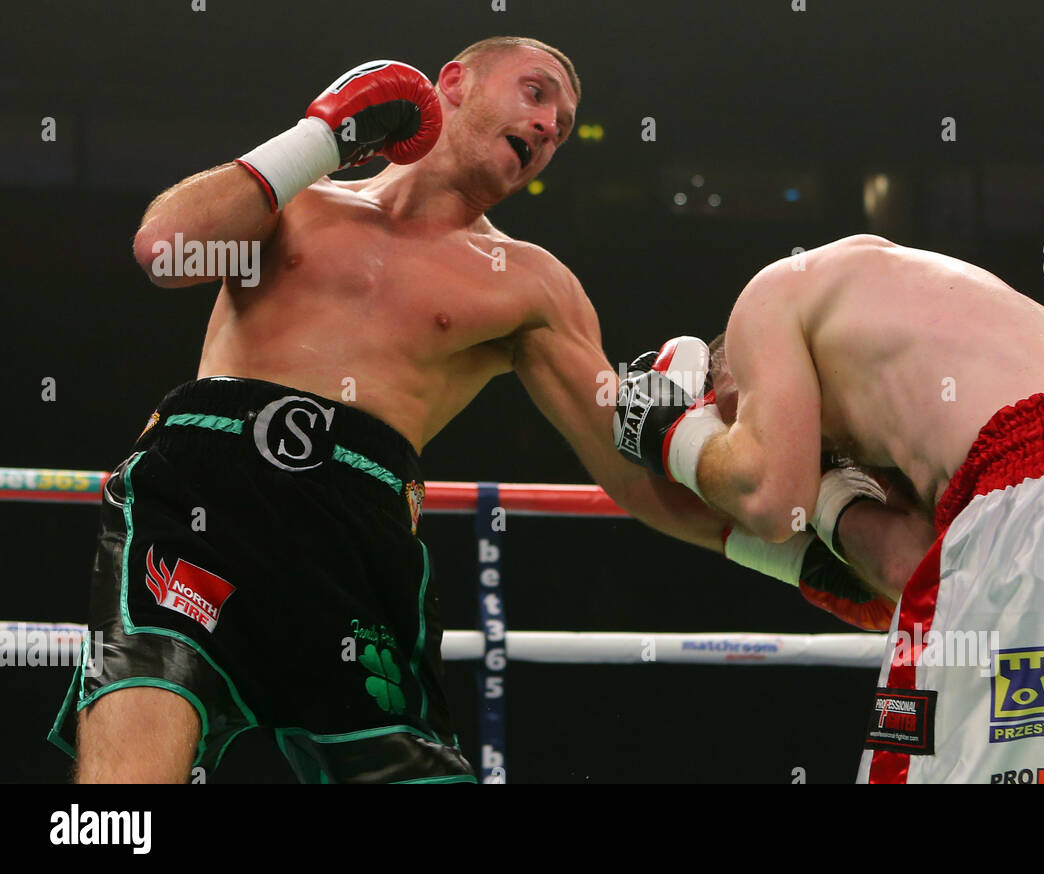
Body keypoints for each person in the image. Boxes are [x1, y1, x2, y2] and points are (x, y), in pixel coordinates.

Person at [50, 37, 754, 785]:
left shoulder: (532, 283)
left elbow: (634, 470)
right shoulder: (298, 200)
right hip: (198, 495)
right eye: (537, 94)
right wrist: (320, 137)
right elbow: (164, 250)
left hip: (358, 531)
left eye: (566, 126)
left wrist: (796, 550)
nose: (551, 127)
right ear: (453, 82)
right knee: (129, 785)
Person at [614, 234, 1044, 783]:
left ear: (721, 371)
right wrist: (829, 497)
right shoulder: (902, 334)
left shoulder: (772, 294)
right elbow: (912, 572)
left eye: (735, 415)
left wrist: (679, 436)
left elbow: (767, 493)